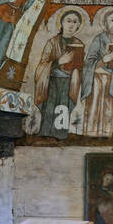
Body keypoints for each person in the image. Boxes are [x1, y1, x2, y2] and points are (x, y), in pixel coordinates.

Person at [34, 10, 84, 139]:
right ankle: (45, 134)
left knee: (64, 108)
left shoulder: (79, 44)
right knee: (50, 107)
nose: (71, 25)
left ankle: (60, 134)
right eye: (68, 21)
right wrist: (58, 62)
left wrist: (78, 69)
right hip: (52, 82)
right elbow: (42, 65)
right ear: (61, 23)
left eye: (75, 22)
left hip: (69, 82)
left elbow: (81, 65)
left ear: (78, 25)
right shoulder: (52, 42)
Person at [79, 8, 113, 137]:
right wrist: (104, 60)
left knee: (109, 106)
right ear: (105, 23)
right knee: (95, 102)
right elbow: (89, 61)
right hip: (97, 77)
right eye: (112, 20)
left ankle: (106, 133)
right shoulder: (99, 39)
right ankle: (90, 132)